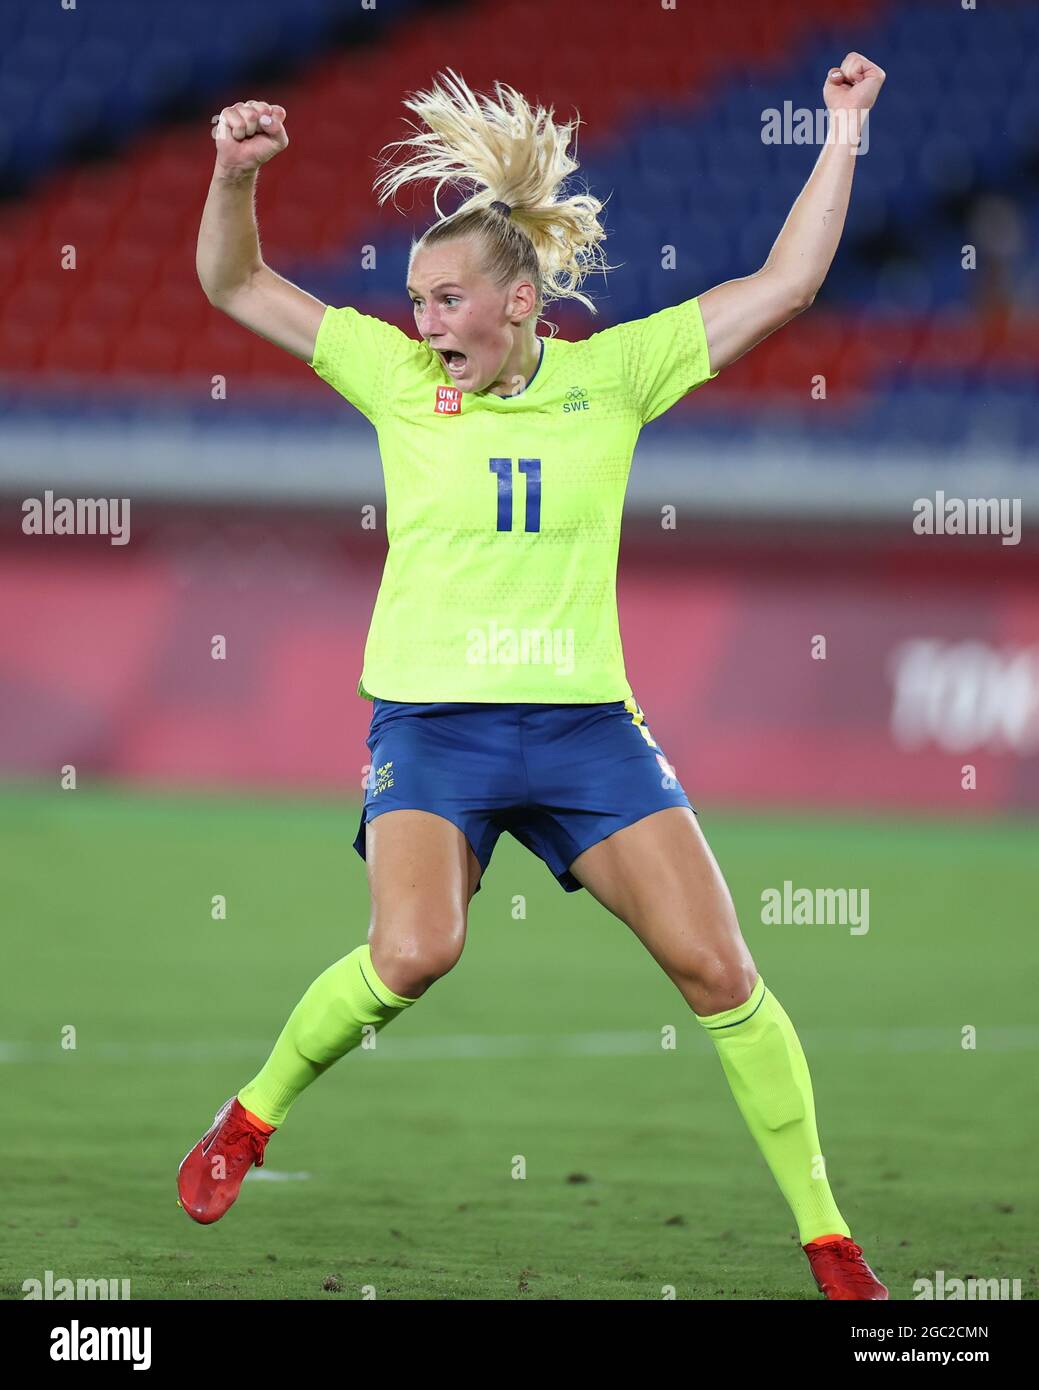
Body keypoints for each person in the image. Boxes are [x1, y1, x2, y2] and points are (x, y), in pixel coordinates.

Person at [179, 59, 887, 1300]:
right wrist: (235, 177)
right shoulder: (394, 380)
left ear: (519, 302)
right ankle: (250, 1116)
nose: (423, 324)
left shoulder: (610, 379)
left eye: (446, 300)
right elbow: (233, 282)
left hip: (583, 730)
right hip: (434, 727)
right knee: (412, 953)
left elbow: (787, 284)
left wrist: (842, 134)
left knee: (720, 970)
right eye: (413, 301)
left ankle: (829, 1240)